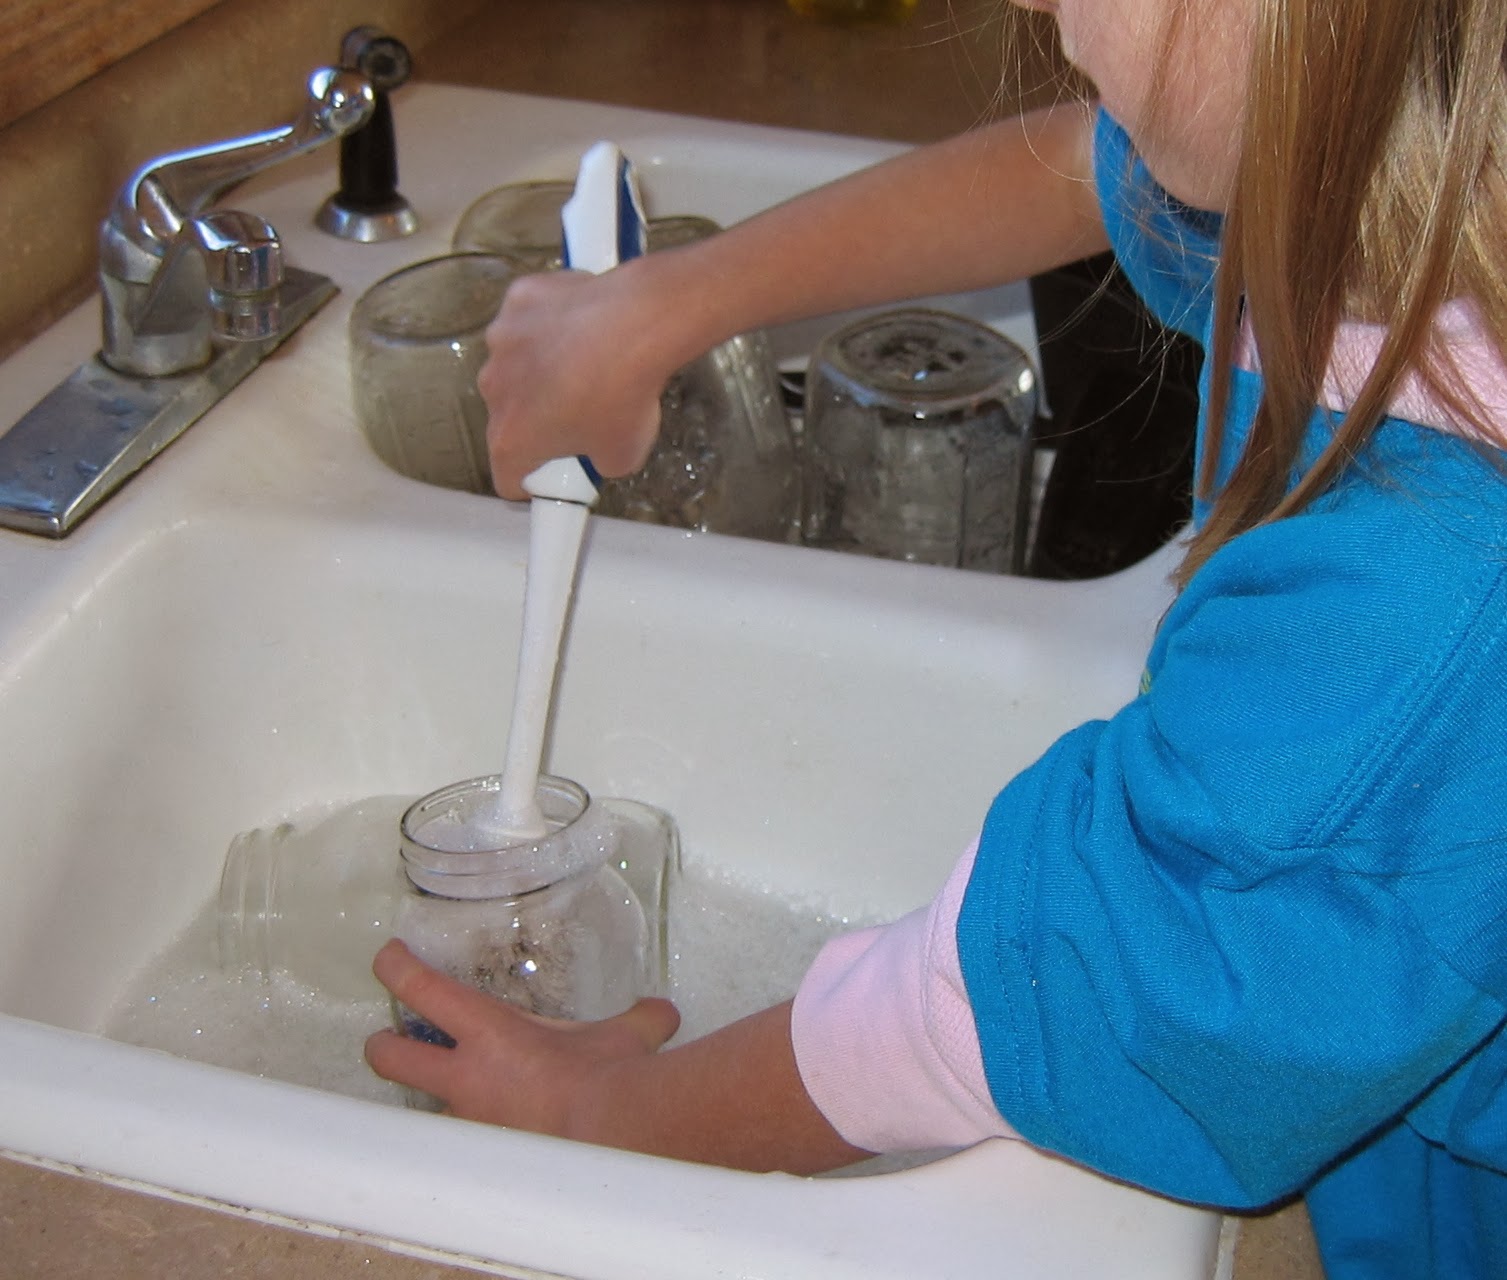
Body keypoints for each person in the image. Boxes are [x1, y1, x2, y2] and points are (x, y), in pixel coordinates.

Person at [365, 0, 1507, 1272]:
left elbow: (1062, 996)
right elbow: (1090, 170)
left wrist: (600, 1110)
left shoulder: (1435, 586)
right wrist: (666, 302)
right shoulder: (1385, 193)